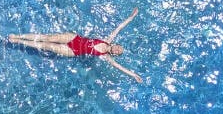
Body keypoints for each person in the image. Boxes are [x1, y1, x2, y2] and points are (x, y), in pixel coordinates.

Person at [8, 8, 142, 83]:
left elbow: (120, 67)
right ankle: (18, 35)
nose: (118, 49)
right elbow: (120, 27)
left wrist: (133, 74)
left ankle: (18, 41)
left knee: (44, 46)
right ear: (116, 44)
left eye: (118, 51)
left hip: (72, 51)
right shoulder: (108, 39)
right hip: (74, 38)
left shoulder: (107, 57)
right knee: (46, 37)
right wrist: (131, 17)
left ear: (114, 54)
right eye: (119, 47)